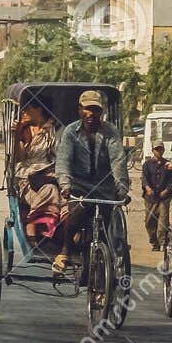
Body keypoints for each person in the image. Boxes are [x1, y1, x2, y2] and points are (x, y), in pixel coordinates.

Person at [54, 89, 129, 274]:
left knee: (109, 226)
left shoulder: (110, 131)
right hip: (78, 186)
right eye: (87, 109)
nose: (91, 114)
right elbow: (63, 161)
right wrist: (65, 185)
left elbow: (118, 160)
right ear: (80, 110)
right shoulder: (71, 131)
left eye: (95, 110)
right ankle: (65, 251)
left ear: (101, 112)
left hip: (104, 188)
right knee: (76, 212)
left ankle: (108, 262)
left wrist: (122, 187)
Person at [12, 102, 61, 241]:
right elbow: (20, 157)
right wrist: (16, 136)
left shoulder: (55, 130)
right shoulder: (24, 130)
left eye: (26, 109)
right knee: (50, 190)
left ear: (38, 109)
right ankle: (32, 224)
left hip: (49, 173)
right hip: (27, 176)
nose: (23, 113)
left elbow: (59, 156)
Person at [140, 142, 172, 251]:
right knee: (149, 222)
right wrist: (147, 188)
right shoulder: (147, 164)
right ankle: (154, 243)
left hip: (164, 198)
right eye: (156, 149)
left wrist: (167, 190)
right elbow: (144, 178)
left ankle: (163, 243)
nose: (158, 151)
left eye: (160, 149)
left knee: (163, 222)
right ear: (153, 151)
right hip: (150, 198)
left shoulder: (168, 165)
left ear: (163, 150)